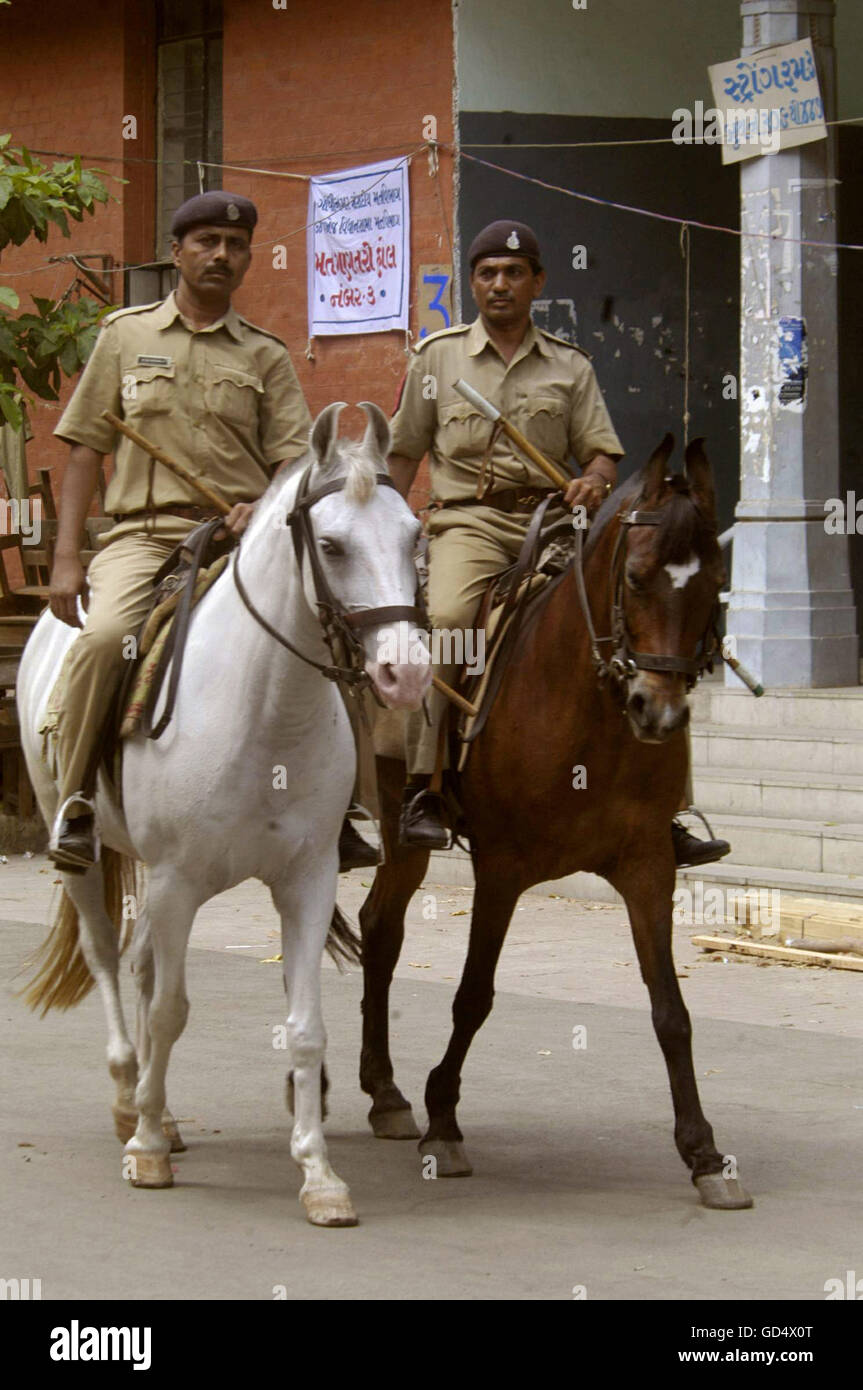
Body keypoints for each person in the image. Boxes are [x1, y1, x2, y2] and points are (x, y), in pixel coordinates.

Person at [48, 190, 376, 873]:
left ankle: (340, 810)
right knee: (108, 639)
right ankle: (78, 800)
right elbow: (82, 449)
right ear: (176, 252)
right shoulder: (124, 336)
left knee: (332, 636)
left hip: (240, 538)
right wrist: (67, 556)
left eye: (234, 246)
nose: (220, 256)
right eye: (206, 243)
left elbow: (294, 456)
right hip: (144, 536)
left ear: (248, 258)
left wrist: (261, 505)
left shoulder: (263, 354)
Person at [387, 218, 730, 868]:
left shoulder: (568, 366)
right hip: (469, 524)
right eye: (486, 273)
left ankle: (669, 809)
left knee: (630, 627)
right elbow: (402, 457)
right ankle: (424, 788)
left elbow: (601, 455)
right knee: (453, 622)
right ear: (472, 282)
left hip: (551, 526)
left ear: (536, 282)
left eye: (513, 273)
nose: (499, 284)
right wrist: (390, 527)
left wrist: (593, 485)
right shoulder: (437, 358)